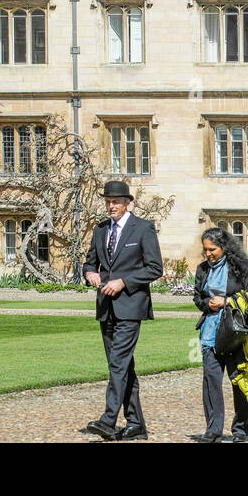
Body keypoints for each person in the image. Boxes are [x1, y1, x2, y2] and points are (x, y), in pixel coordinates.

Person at [81, 178, 164, 441]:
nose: (110, 206)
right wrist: (90, 273)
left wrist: (123, 282)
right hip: (106, 308)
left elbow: (155, 268)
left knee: (118, 364)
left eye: (115, 201)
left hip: (130, 307)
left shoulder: (143, 229)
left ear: (128, 203)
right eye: (107, 201)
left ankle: (108, 420)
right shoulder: (100, 230)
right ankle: (136, 424)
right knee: (122, 366)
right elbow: (88, 263)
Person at [191, 226, 248, 442]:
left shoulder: (243, 266)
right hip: (209, 333)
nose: (208, 254)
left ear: (224, 247)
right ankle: (213, 430)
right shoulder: (202, 269)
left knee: (239, 381)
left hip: (235, 333)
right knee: (211, 383)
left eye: (212, 249)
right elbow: (197, 298)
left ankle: (240, 430)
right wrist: (208, 304)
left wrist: (227, 302)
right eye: (205, 250)